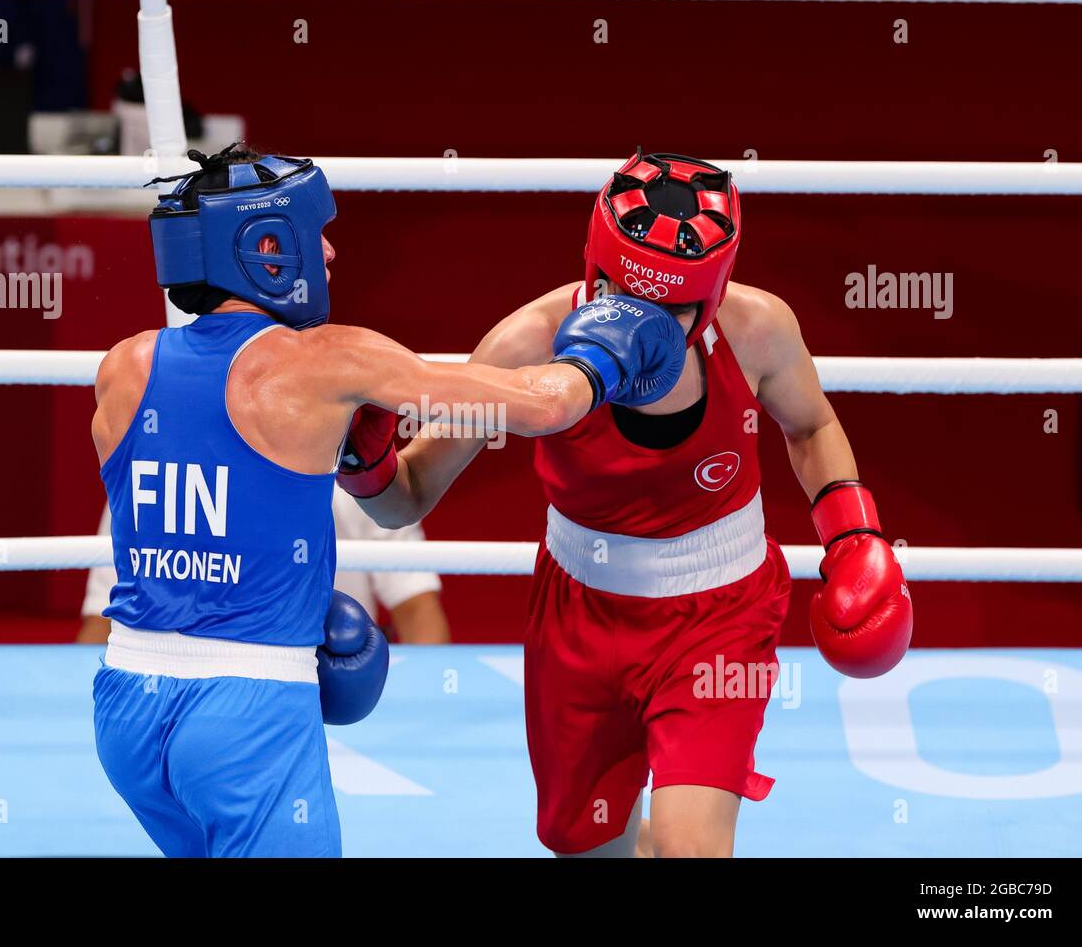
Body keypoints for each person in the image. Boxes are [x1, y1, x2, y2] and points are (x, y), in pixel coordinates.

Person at [89, 142, 689, 857]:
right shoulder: (330, 361)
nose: (332, 254)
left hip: (126, 704)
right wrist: (606, 353)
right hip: (244, 707)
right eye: (315, 235)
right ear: (266, 246)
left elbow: (215, 496)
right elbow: (539, 405)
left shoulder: (124, 368)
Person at [356, 151, 914, 857]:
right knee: (589, 846)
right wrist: (363, 463)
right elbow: (405, 500)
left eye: (672, 308)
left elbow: (811, 425)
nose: (641, 328)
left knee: (692, 848)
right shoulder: (525, 347)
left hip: (721, 614)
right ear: (595, 268)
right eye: (624, 296)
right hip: (580, 620)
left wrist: (853, 533)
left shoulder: (757, 330)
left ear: (712, 293)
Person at [78, 489, 450, 644]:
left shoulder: (350, 473)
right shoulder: (156, 481)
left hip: (330, 690)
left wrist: (426, 709)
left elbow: (417, 609)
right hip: (187, 688)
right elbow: (103, 621)